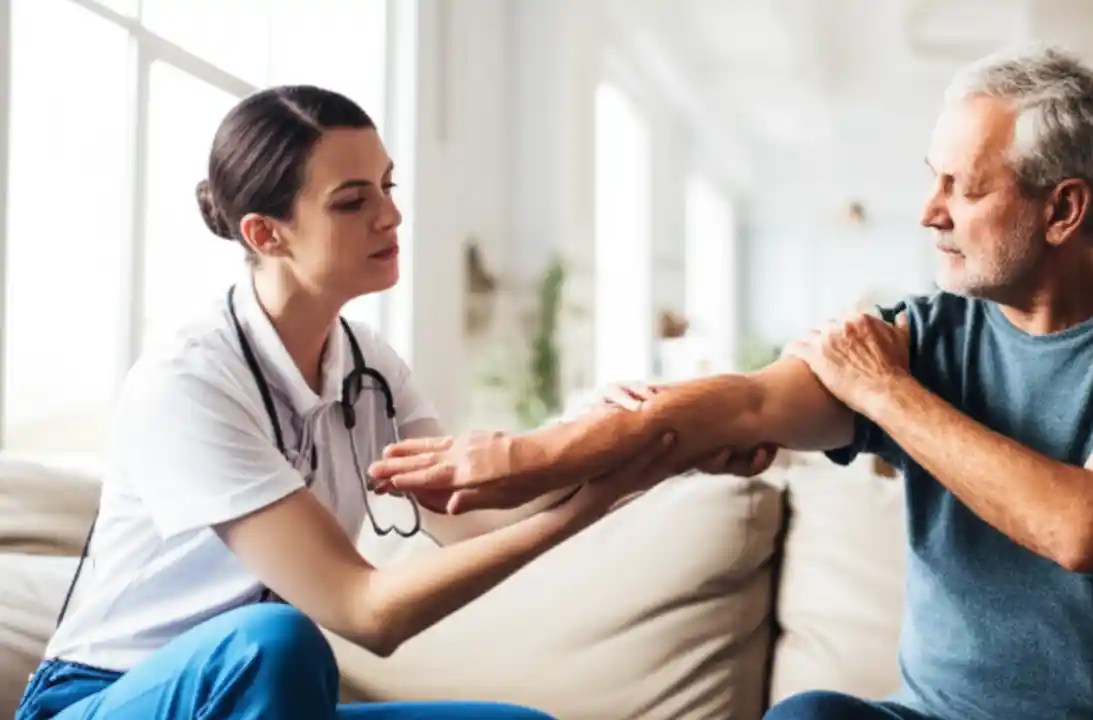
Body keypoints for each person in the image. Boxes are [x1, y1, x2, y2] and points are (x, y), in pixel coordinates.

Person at [369, 46, 1093, 719]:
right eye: (932, 178)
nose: (929, 211)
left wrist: (888, 395)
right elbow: (748, 403)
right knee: (809, 715)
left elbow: (1083, 526)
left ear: (1063, 209)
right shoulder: (922, 333)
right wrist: (531, 454)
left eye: (964, 188)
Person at [15, 85, 767, 720]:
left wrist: (625, 437)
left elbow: (469, 516)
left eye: (387, 187)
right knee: (273, 640)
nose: (391, 216)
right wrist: (588, 506)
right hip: (107, 697)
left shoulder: (367, 365)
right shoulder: (190, 382)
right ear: (266, 234)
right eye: (353, 201)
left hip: (273, 698)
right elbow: (364, 612)